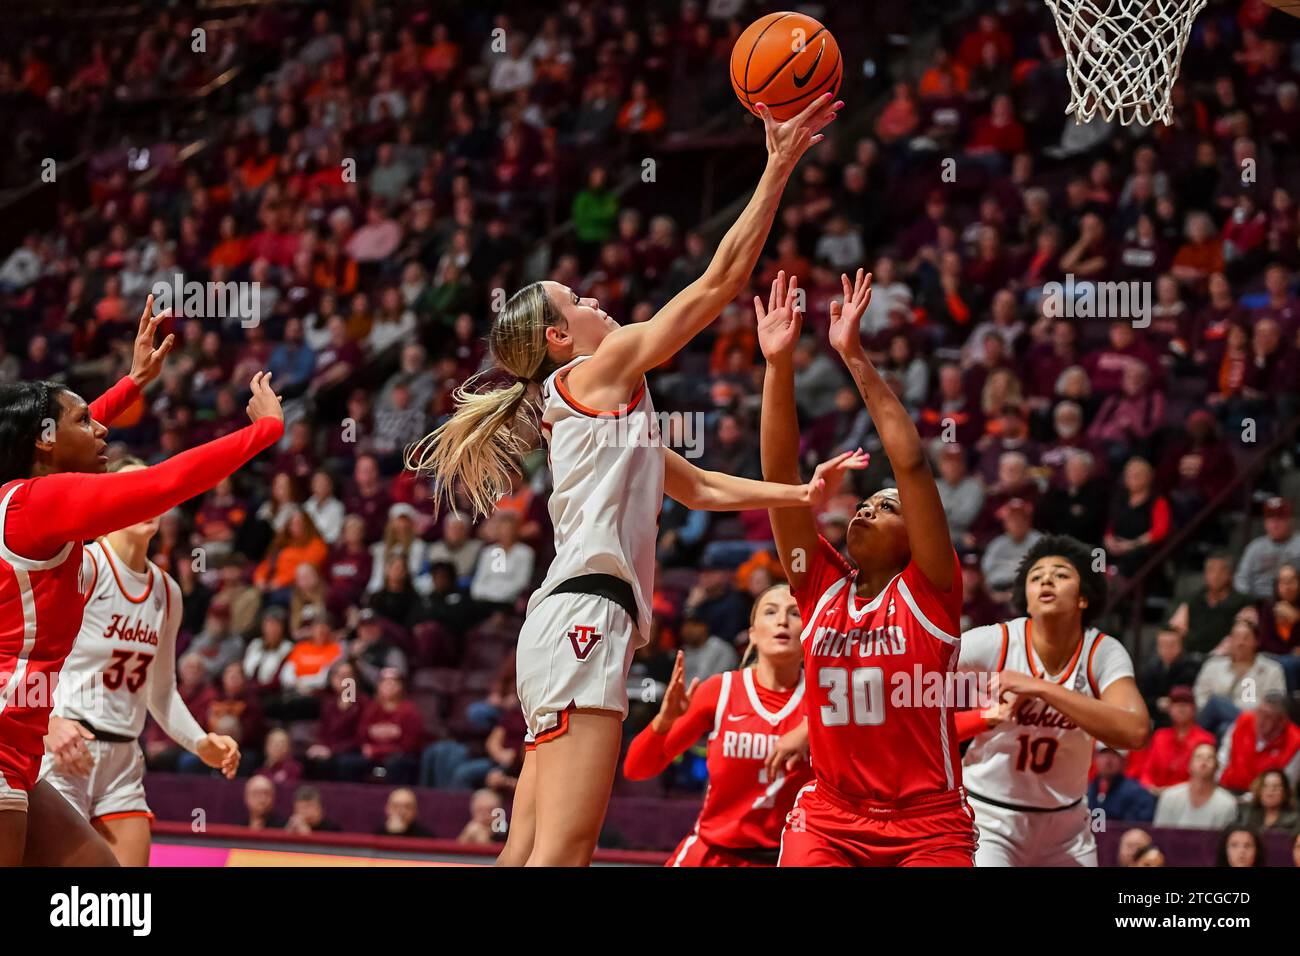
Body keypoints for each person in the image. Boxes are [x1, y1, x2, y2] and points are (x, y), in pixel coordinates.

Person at [411, 93, 844, 867]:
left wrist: (799, 496)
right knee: (565, 855)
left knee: (525, 856)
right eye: (575, 301)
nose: (593, 298)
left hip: (560, 622)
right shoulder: (596, 370)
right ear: (556, 337)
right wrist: (778, 164)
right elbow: (716, 288)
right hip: (585, 620)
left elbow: (699, 487)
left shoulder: (598, 407)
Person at [0, 295, 284, 866]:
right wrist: (263, 433)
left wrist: (132, 383)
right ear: (47, 440)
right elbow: (159, 485)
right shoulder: (40, 501)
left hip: (28, 745)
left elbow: (63, 432)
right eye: (86, 421)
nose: (102, 427)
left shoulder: (31, 496)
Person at [757, 269, 979, 867]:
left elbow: (910, 463)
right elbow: (780, 482)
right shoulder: (820, 585)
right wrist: (778, 367)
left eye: (886, 509)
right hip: (830, 815)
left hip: (928, 823)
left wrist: (853, 356)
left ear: (917, 537)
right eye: (864, 502)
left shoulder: (931, 588)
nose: (867, 509)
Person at [39, 458, 240, 866]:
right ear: (109, 502)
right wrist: (46, 724)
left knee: (124, 906)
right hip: (64, 750)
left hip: (123, 758)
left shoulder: (167, 592)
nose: (148, 499)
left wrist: (200, 742)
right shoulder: (85, 566)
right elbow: (26, 653)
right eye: (134, 490)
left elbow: (161, 690)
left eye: (152, 489)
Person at [957, 534, 1150, 866]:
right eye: (1036, 577)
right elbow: (912, 669)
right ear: (1027, 600)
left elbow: (1134, 732)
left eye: (1061, 574)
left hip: (1068, 826)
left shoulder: (1102, 652)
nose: (1046, 579)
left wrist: (1041, 688)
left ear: (1083, 599)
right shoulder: (995, 641)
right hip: (988, 817)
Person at [622, 584, 810, 867]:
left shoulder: (826, 700)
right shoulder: (719, 690)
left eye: (795, 614)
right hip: (714, 853)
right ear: (752, 635)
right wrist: (664, 720)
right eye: (770, 612)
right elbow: (637, 769)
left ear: (810, 631)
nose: (782, 620)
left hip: (788, 857)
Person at [1194, 619, 1286, 738]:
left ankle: (1191, 745)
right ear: (1230, 640)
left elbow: (1275, 704)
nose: (1240, 643)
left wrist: (1230, 707)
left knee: (1216, 704)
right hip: (1212, 720)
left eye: (1246, 638)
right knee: (1223, 724)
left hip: (1255, 722)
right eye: (1236, 637)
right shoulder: (1213, 665)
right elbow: (1200, 697)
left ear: (1256, 641)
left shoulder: (1272, 670)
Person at [1138, 685, 1215, 792]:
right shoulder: (1159, 736)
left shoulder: (1205, 739)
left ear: (1194, 709)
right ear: (1169, 709)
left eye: (1186, 703)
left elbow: (1204, 777)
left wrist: (1171, 793)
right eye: (1176, 703)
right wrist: (1149, 787)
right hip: (1154, 795)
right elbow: (1147, 772)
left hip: (1188, 798)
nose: (1181, 707)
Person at [1218, 692, 1300, 792]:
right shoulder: (1244, 720)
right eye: (1259, 712)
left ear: (1282, 721)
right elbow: (1222, 758)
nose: (1259, 719)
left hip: (1260, 801)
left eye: (1267, 716)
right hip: (1226, 789)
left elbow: (1285, 787)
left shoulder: (1295, 743)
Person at [1152, 743, 1239, 829]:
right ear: (1189, 765)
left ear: (1217, 767)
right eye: (1199, 757)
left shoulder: (1227, 803)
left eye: (1209, 758)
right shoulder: (1169, 797)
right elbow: (1161, 835)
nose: (1204, 762)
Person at [1234, 498, 1300, 599]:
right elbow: (1241, 580)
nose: (1275, 524)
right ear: (1265, 522)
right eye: (1271, 519)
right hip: (1259, 602)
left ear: (1290, 520)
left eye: (1280, 518)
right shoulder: (1255, 547)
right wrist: (1248, 603)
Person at [1088, 744, 1156, 823]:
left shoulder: (1138, 795)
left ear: (1124, 761)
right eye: (1103, 754)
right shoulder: (1086, 792)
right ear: (1095, 758)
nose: (1108, 761)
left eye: (1114, 755)